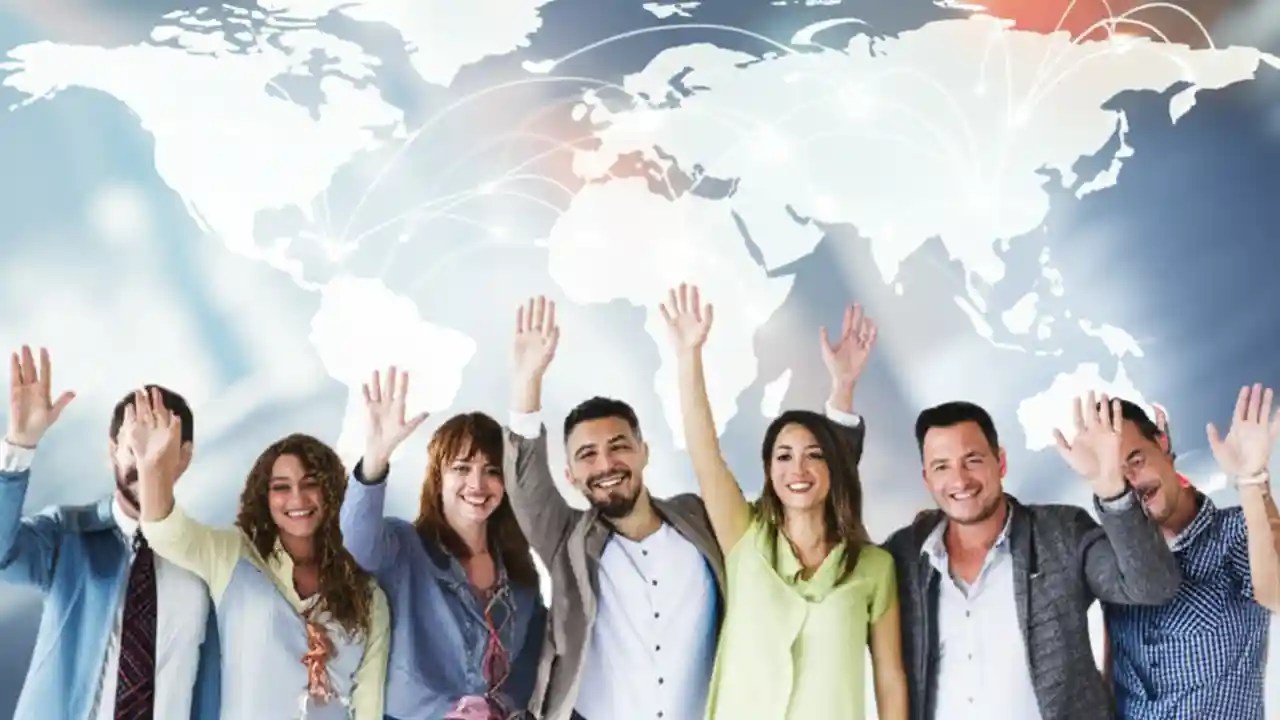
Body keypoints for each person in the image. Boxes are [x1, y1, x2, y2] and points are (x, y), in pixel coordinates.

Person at [662, 283, 908, 720]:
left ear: (835, 469)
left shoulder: (873, 568)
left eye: (815, 456)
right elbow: (704, 451)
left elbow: (889, 677)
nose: (798, 469)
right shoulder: (747, 540)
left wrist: (843, 388)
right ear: (769, 471)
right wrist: (688, 357)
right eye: (784, 456)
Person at [883, 393, 1182, 719]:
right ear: (927, 477)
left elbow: (1153, 585)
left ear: (1000, 462)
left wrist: (1111, 487)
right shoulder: (904, 556)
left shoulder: (1062, 533)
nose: (960, 479)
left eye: (973, 459)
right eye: (942, 466)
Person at [131, 388, 390, 719]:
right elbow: (165, 533)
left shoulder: (369, 597)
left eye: (311, 483)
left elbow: (369, 705)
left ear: (331, 492)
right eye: (281, 487)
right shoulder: (233, 555)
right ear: (264, 498)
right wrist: (152, 469)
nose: (297, 498)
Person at [0, 346, 220, 720]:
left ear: (184, 455)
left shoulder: (207, 560)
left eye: (158, 443)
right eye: (133, 444)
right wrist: (20, 445)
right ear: (112, 450)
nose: (144, 458)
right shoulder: (67, 536)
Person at [339, 367, 546, 720]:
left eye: (492, 470)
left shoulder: (518, 571)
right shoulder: (404, 548)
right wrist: (376, 456)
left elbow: (529, 659)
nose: (477, 484)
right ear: (437, 479)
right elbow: (355, 546)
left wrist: (500, 706)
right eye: (461, 468)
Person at [1104, 386, 1280, 719]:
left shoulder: (1239, 532)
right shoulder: (1112, 552)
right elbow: (1113, 669)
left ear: (1162, 442)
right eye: (1115, 477)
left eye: (1136, 461)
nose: (1132, 485)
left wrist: (1252, 478)